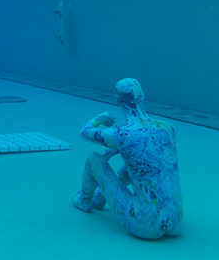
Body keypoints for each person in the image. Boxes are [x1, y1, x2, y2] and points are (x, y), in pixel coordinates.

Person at [72, 78, 183, 240]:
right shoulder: (167, 127)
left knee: (94, 159)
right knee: (137, 165)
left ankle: (84, 200)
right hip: (176, 220)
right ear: (142, 96)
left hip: (144, 224)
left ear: (118, 100)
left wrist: (100, 117)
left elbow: (84, 132)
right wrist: (111, 152)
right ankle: (99, 198)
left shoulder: (121, 134)